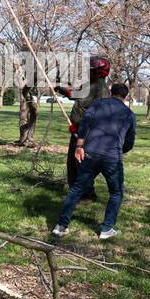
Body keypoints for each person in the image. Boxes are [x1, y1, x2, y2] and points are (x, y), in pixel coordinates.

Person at [51, 82, 136, 240]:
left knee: (77, 189)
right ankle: (107, 229)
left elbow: (84, 124)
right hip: (112, 158)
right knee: (116, 193)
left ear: (111, 92)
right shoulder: (129, 114)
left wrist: (79, 146)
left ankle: (61, 226)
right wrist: (119, 150)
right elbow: (130, 142)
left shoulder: (97, 105)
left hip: (91, 154)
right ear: (126, 96)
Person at [55, 56, 111, 200]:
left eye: (90, 70)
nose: (87, 72)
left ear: (99, 72)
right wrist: (61, 89)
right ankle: (75, 193)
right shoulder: (89, 84)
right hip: (78, 130)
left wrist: (82, 130)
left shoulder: (102, 90)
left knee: (82, 164)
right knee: (72, 164)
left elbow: (99, 116)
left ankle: (87, 195)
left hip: (86, 134)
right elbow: (75, 95)